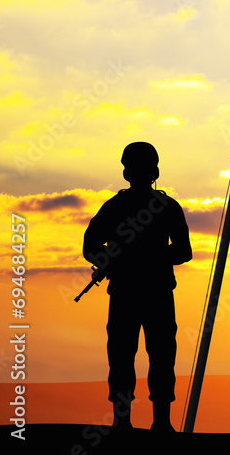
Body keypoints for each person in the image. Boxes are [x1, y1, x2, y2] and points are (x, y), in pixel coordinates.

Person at [82, 141, 193, 432]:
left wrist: (133, 257)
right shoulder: (160, 206)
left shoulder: (122, 206)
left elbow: (183, 251)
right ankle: (140, 423)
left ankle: (152, 423)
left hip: (143, 292)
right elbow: (91, 247)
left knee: (154, 356)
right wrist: (115, 259)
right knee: (130, 356)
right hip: (139, 292)